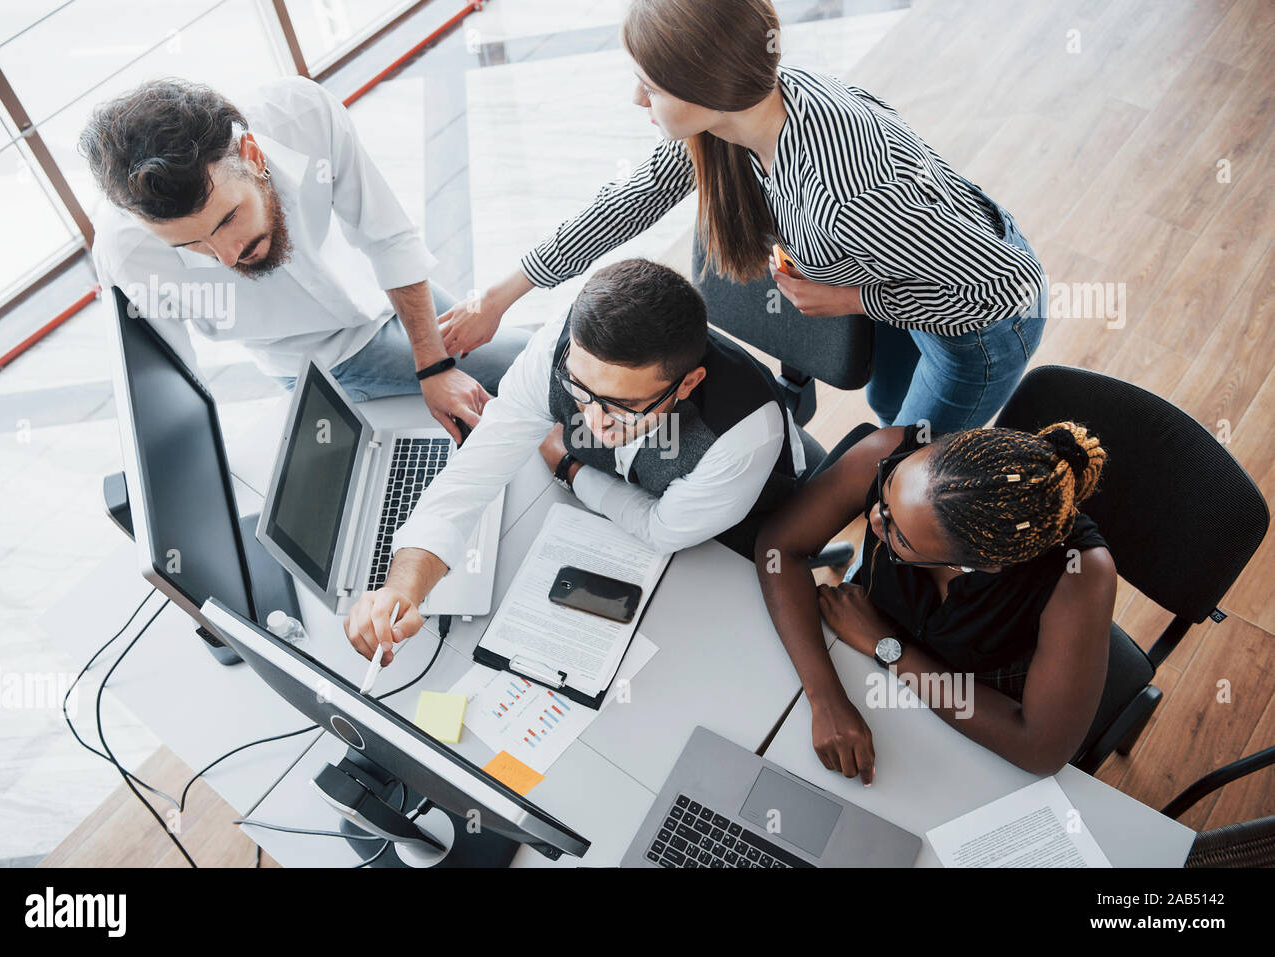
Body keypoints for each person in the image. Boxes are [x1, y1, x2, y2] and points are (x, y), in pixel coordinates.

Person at [435, 0, 1047, 433]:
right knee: (889, 407)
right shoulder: (747, 112)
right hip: (911, 278)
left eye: (651, 85)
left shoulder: (841, 203)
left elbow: (1008, 288)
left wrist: (862, 301)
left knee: (911, 459)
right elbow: (632, 197)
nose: (636, 99)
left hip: (981, 323)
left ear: (705, 88)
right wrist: (502, 293)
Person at [344, 258, 806, 662]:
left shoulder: (741, 436)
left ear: (687, 384)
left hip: (737, 529)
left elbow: (662, 529)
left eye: (623, 406)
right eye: (581, 391)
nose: (595, 422)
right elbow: (468, 481)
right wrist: (402, 589)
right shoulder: (558, 350)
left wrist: (570, 469)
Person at [81, 76, 528, 443]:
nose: (227, 255)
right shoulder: (127, 254)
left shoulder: (303, 115)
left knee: (535, 363)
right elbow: (172, 386)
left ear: (252, 157)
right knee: (527, 365)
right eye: (189, 245)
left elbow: (387, 237)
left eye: (228, 219)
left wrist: (433, 365)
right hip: (326, 357)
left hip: (382, 286)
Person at [755, 421, 1115, 779]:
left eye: (900, 538)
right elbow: (779, 546)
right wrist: (825, 698)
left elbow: (1040, 749)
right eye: (889, 488)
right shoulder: (893, 450)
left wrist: (888, 648)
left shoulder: (1080, 574)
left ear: (979, 565)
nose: (875, 518)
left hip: (971, 720)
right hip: (857, 658)